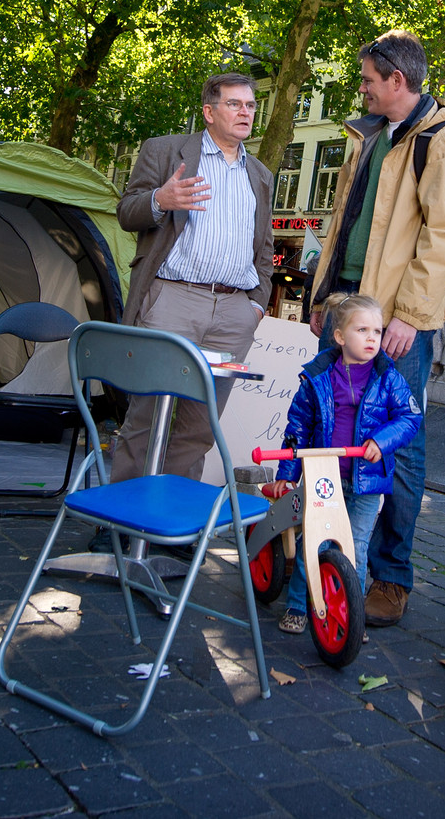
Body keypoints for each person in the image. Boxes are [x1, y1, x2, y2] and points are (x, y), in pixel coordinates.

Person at [306, 29, 445, 626]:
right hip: (345, 312)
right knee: (328, 431)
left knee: (398, 447)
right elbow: (342, 224)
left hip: (396, 323)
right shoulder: (370, 137)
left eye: (369, 80)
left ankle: (392, 578)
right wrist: (321, 298)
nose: (363, 88)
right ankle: (329, 556)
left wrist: (410, 317)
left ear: (397, 81)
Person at [91, 72, 274, 553]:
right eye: (235, 104)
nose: (246, 112)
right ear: (210, 111)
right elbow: (126, 211)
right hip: (173, 299)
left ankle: (170, 523)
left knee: (199, 422)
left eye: (251, 105)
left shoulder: (260, 174)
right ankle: (120, 519)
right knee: (147, 413)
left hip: (235, 309)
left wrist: (257, 303)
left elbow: (265, 246)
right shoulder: (165, 150)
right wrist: (160, 200)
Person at [268, 293, 422, 634]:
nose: (372, 338)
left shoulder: (387, 377)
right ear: (339, 337)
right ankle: (299, 605)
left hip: (366, 481)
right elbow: (298, 428)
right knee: (316, 542)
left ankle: (348, 613)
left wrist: (381, 443)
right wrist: (287, 475)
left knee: (356, 547)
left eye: (377, 332)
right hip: (324, 477)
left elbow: (410, 417)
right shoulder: (319, 377)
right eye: (362, 330)